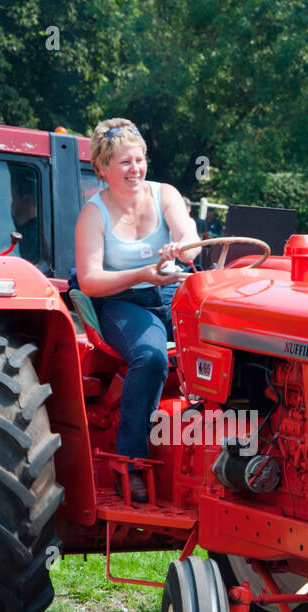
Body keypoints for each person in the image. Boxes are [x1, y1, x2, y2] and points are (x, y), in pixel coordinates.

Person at [75, 118, 200, 503]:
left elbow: (191, 244)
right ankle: (129, 463)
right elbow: (91, 280)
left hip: (173, 295)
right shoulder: (93, 214)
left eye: (140, 160)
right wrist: (142, 274)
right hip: (122, 301)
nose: (136, 170)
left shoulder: (165, 195)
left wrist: (179, 248)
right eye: (125, 163)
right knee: (150, 356)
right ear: (102, 169)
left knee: (233, 345)